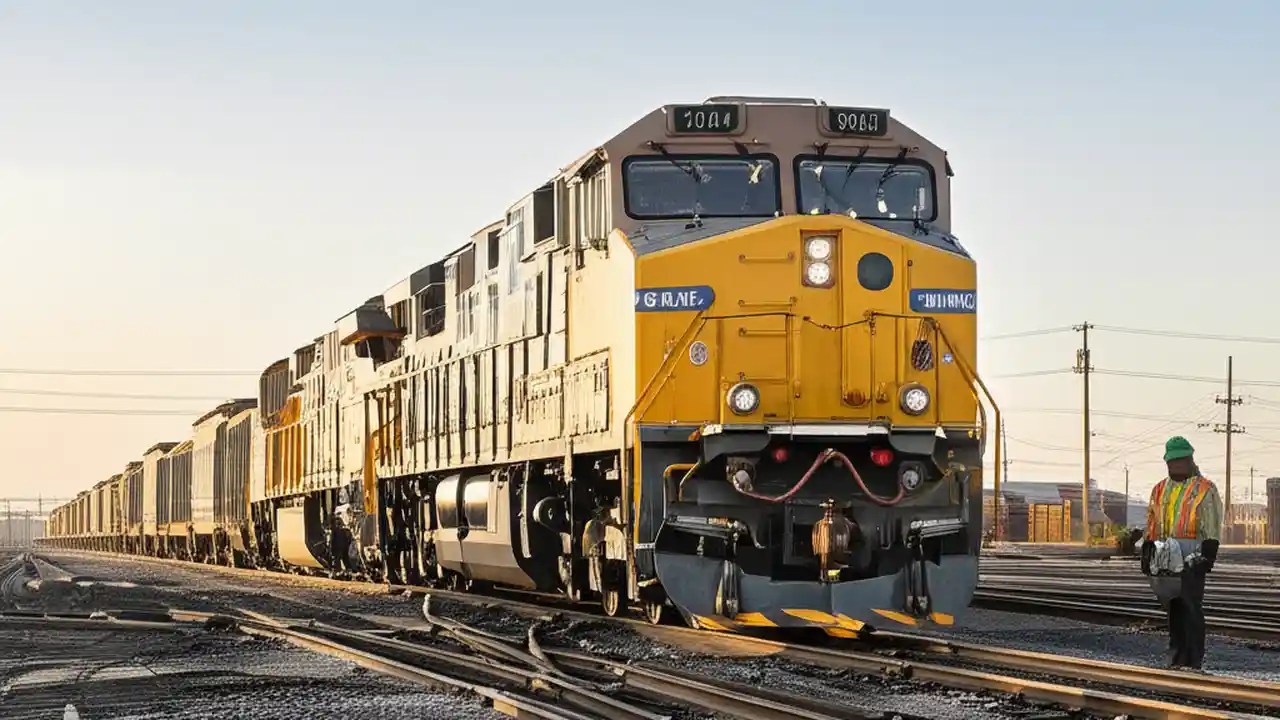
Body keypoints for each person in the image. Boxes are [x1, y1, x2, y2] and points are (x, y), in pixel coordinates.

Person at [1140, 436, 1222, 670]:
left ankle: (1193, 659)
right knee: (1173, 606)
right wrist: (1148, 550)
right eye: (1172, 462)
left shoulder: (1204, 489)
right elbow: (1152, 521)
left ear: (1190, 460)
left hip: (1191, 554)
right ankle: (1177, 657)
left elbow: (1212, 521)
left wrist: (1208, 552)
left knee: (1190, 605)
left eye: (1180, 461)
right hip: (1164, 554)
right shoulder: (1159, 489)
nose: (1176, 466)